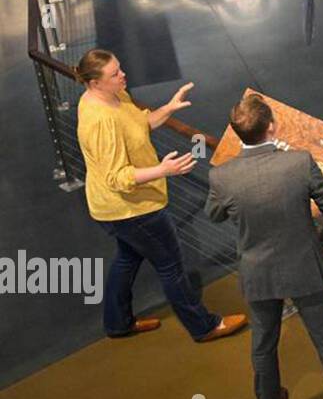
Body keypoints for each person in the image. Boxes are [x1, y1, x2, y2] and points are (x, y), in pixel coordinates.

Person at [204, 94, 323, 399]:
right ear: (272, 127)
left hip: (257, 273)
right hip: (304, 267)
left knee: (263, 344)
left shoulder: (222, 177)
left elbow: (215, 214)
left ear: (238, 134)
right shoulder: (299, 164)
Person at [74, 49, 246, 343]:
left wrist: (168, 108)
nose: (123, 75)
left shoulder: (114, 95)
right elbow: (117, 178)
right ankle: (203, 326)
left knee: (127, 258)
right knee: (171, 266)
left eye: (120, 68)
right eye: (114, 74)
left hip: (113, 207)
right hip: (131, 209)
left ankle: (117, 323)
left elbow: (139, 124)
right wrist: (163, 170)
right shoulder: (101, 120)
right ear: (94, 82)